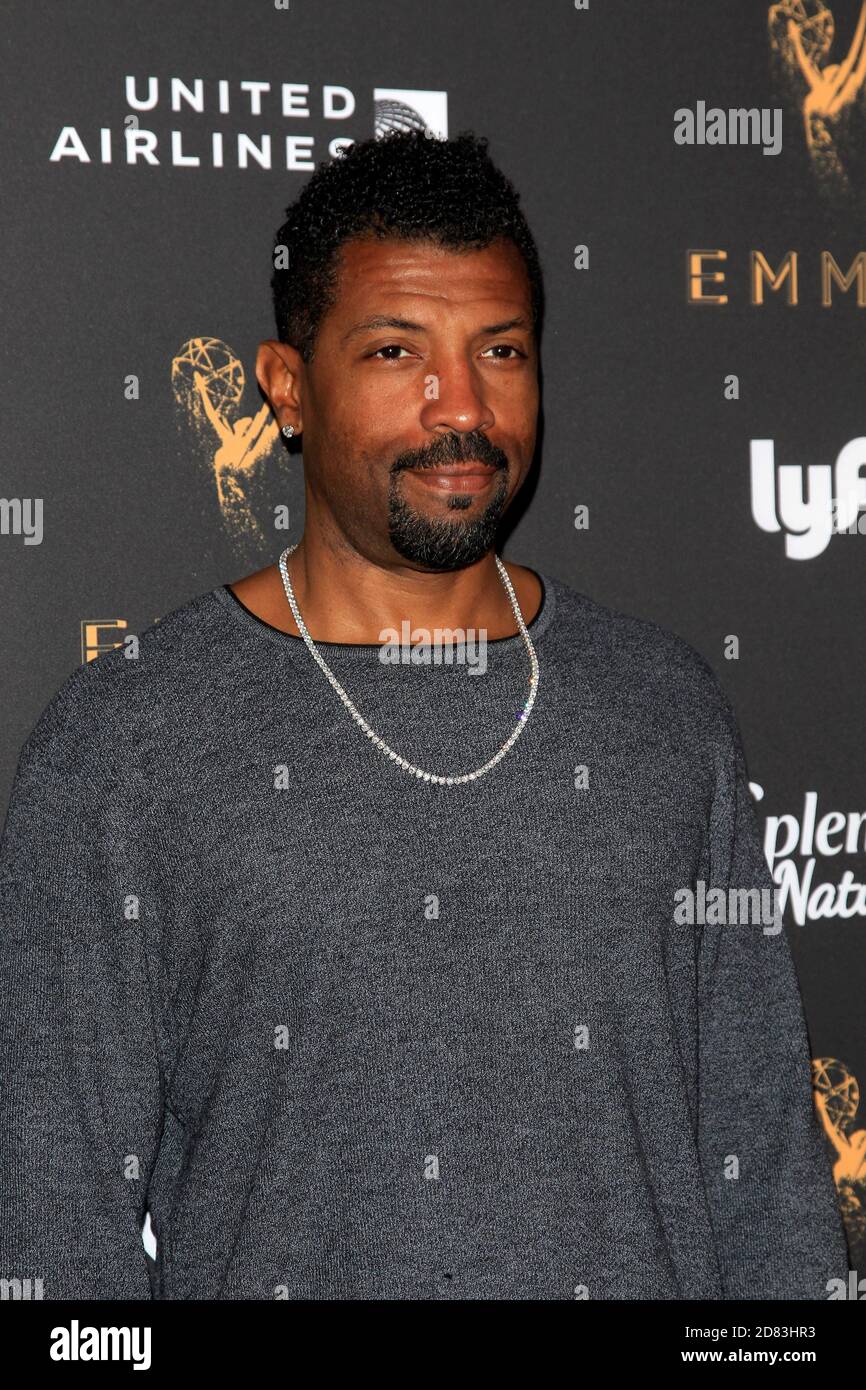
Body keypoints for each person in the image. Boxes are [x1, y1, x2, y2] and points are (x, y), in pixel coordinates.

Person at [0, 130, 849, 1300]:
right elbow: (55, 1233)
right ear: (286, 388)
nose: (461, 405)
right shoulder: (123, 745)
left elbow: (765, 1198)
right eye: (398, 351)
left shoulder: (662, 712)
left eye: (498, 349)